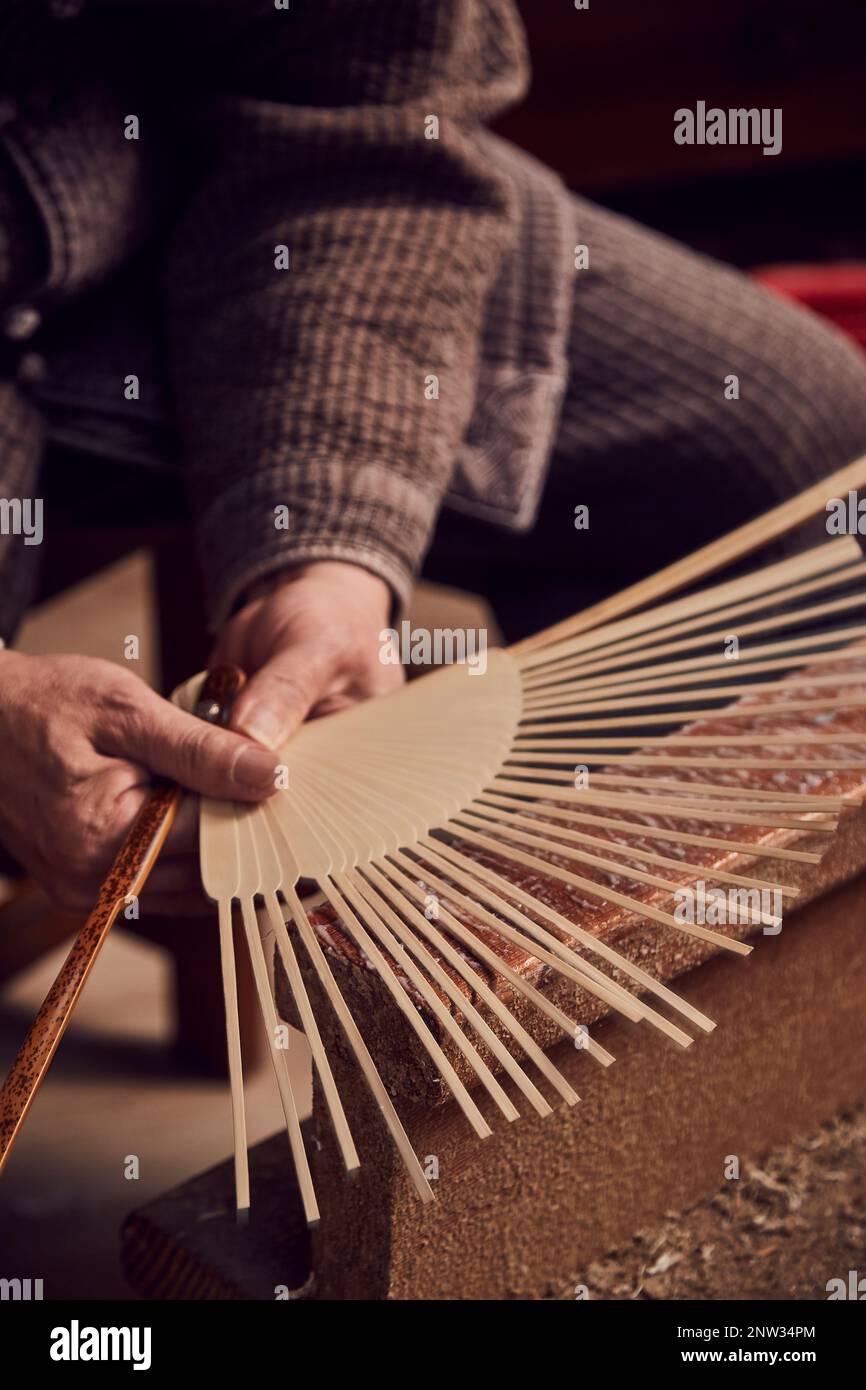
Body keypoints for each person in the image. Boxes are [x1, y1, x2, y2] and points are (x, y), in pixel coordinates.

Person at [1, 0, 865, 916]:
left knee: (799, 453)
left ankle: (571, 987)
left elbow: (364, 114)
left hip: (154, 173)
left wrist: (330, 549)